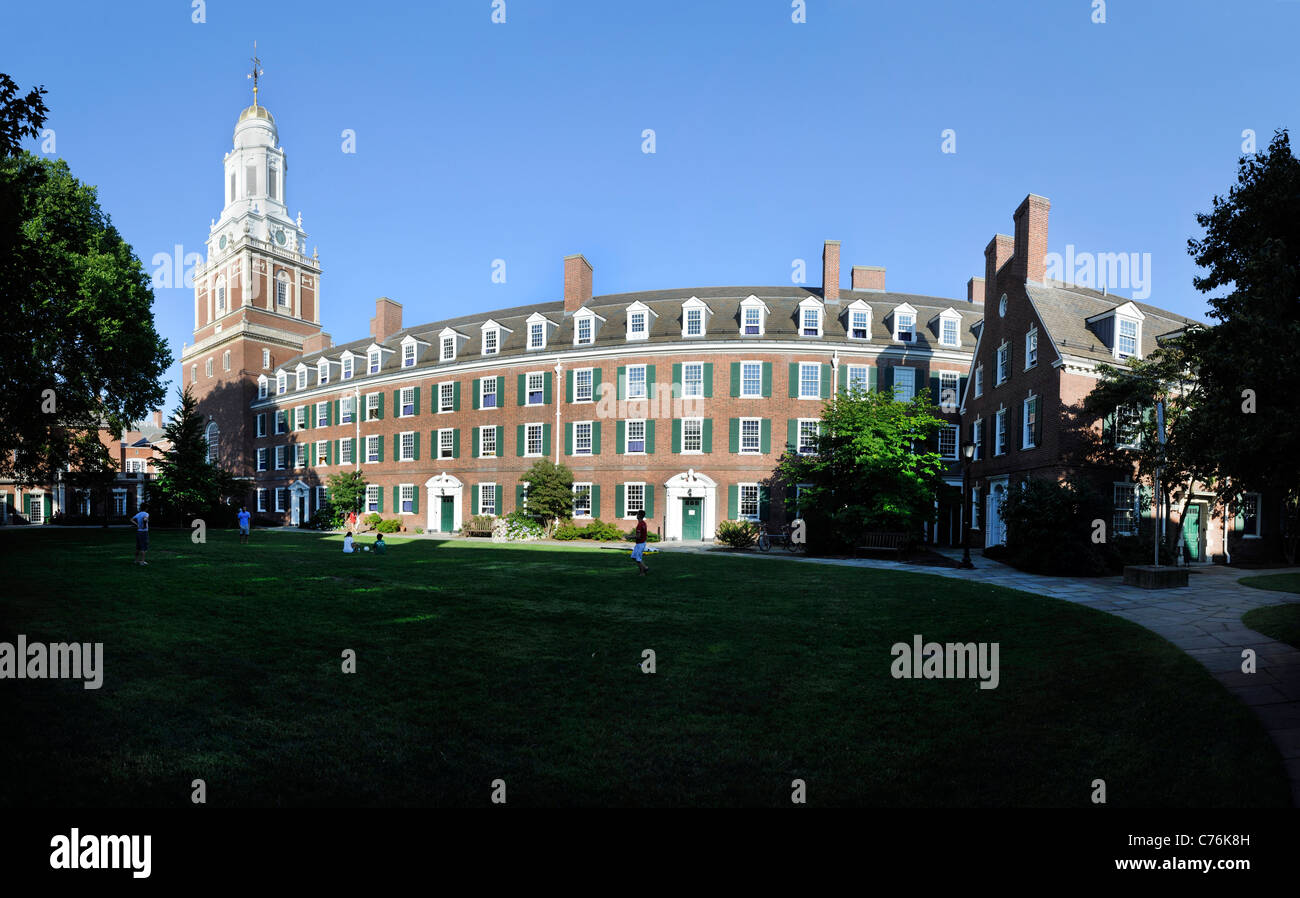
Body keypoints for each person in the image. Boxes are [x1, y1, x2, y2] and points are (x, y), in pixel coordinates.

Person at [630, 509, 649, 576]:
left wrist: (629, 537)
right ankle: (645, 567)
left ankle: (642, 573)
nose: (636, 515)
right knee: (633, 557)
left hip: (640, 544)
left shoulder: (640, 525)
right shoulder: (643, 523)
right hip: (641, 543)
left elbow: (638, 536)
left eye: (637, 514)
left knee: (638, 559)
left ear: (639, 515)